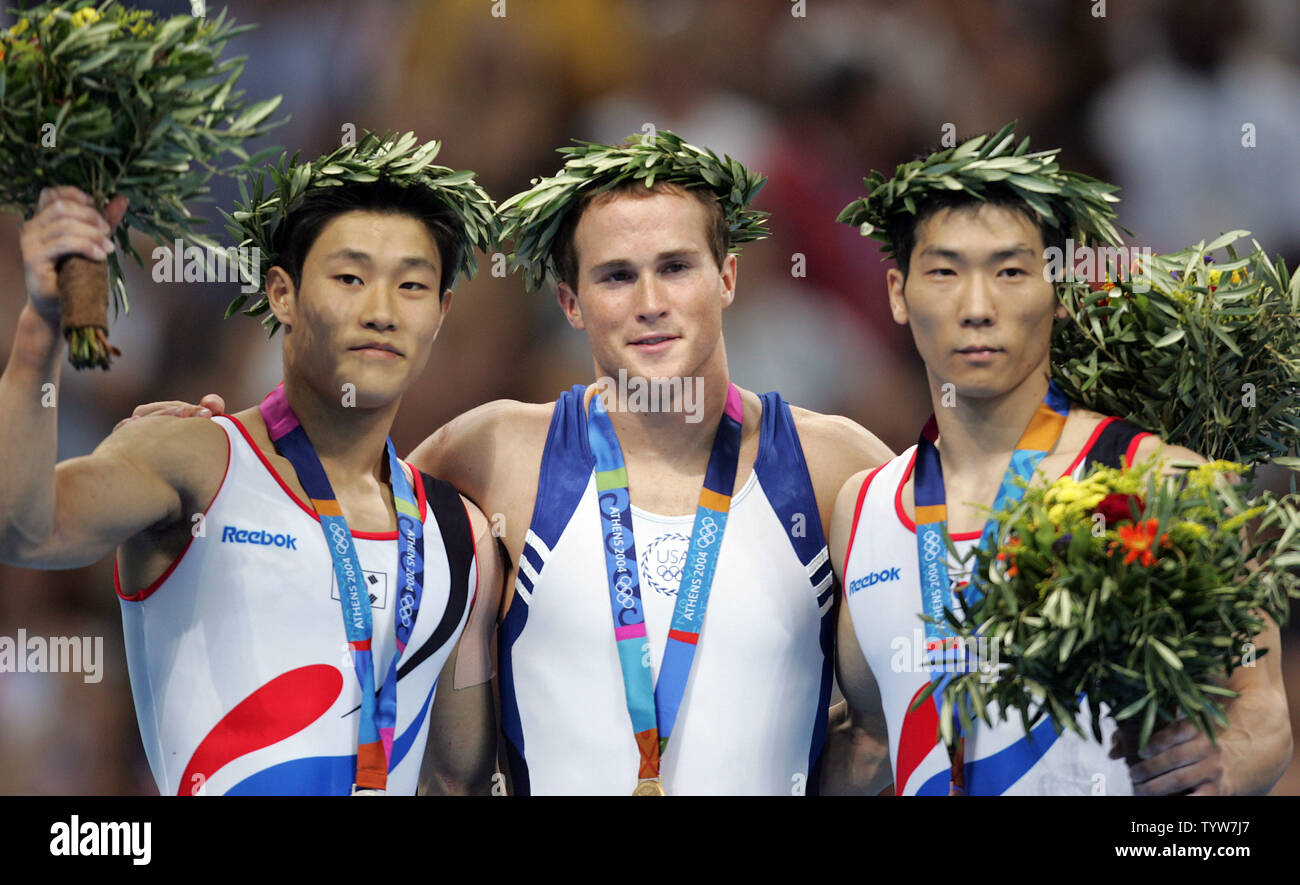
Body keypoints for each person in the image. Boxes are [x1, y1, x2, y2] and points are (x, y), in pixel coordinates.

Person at [125, 131, 896, 795]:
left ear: (727, 278)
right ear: (569, 302)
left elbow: (894, 717)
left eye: (677, 267)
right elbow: (333, 520)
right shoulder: (495, 455)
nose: (650, 301)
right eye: (616, 276)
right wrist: (233, 454)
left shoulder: (833, 468)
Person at [0, 133, 503, 796]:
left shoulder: (461, 537)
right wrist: (40, 334)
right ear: (282, 293)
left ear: (440, 313)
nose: (381, 311)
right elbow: (24, 529)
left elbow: (459, 780)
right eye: (349, 278)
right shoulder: (197, 460)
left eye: (412, 285)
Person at [829, 125, 1292, 795]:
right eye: (944, 271)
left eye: (1011, 271)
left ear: (1063, 292)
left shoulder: (1161, 478)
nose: (978, 307)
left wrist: (1225, 766)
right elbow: (872, 733)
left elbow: (1262, 702)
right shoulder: (863, 507)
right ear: (899, 292)